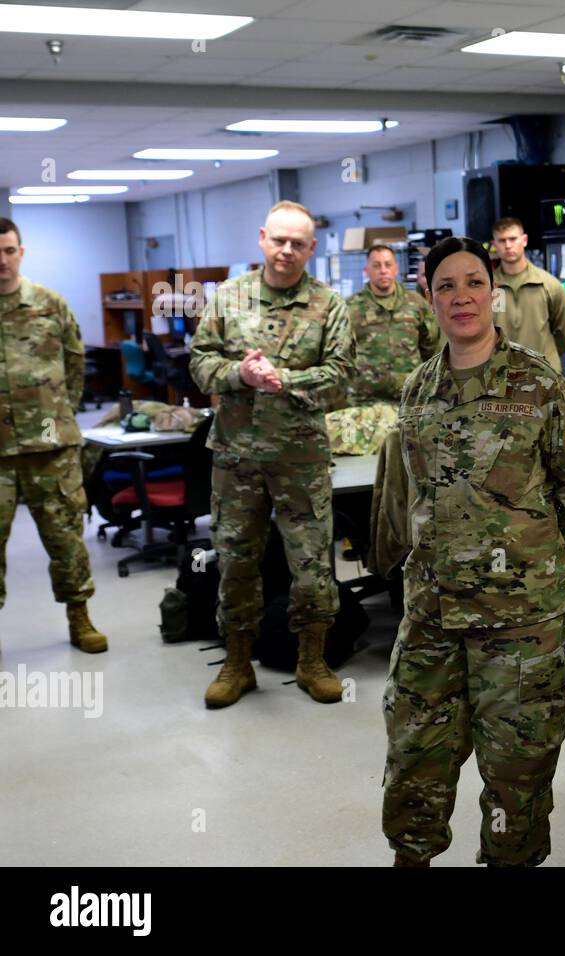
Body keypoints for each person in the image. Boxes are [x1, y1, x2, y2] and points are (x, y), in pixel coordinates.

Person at [382, 237, 565, 867]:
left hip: (521, 620)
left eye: (473, 282)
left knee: (518, 770)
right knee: (414, 757)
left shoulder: (539, 385)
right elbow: (413, 489)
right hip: (431, 614)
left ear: (494, 292)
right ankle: (412, 856)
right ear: (429, 299)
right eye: (445, 286)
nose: (461, 297)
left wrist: (536, 557)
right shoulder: (418, 388)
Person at [190, 200, 356, 708]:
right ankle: (238, 662)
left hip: (299, 460)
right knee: (237, 562)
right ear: (262, 238)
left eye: (298, 243)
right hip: (236, 459)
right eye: (279, 240)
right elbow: (200, 363)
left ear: (312, 247)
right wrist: (239, 375)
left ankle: (311, 660)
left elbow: (341, 379)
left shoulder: (329, 305)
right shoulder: (229, 298)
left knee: (310, 567)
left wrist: (284, 379)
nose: (287, 251)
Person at [0, 216, 108, 653]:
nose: (1, 260)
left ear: (21, 253)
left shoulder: (50, 304)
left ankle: (79, 617)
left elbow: (76, 366)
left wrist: (57, 417)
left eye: (9, 250)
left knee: (66, 538)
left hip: (51, 448)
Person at [344, 244, 439, 405]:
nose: (383, 270)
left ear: (396, 268)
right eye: (376, 265)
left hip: (411, 396)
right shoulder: (351, 307)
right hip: (366, 399)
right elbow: (345, 352)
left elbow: (430, 344)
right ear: (366, 270)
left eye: (388, 264)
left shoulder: (416, 303)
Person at [490, 217, 565, 373]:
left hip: (543, 377)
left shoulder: (549, 285)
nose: (508, 245)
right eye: (502, 241)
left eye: (513, 239)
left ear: (524, 240)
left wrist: (546, 356)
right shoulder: (487, 288)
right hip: (500, 377)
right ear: (494, 245)